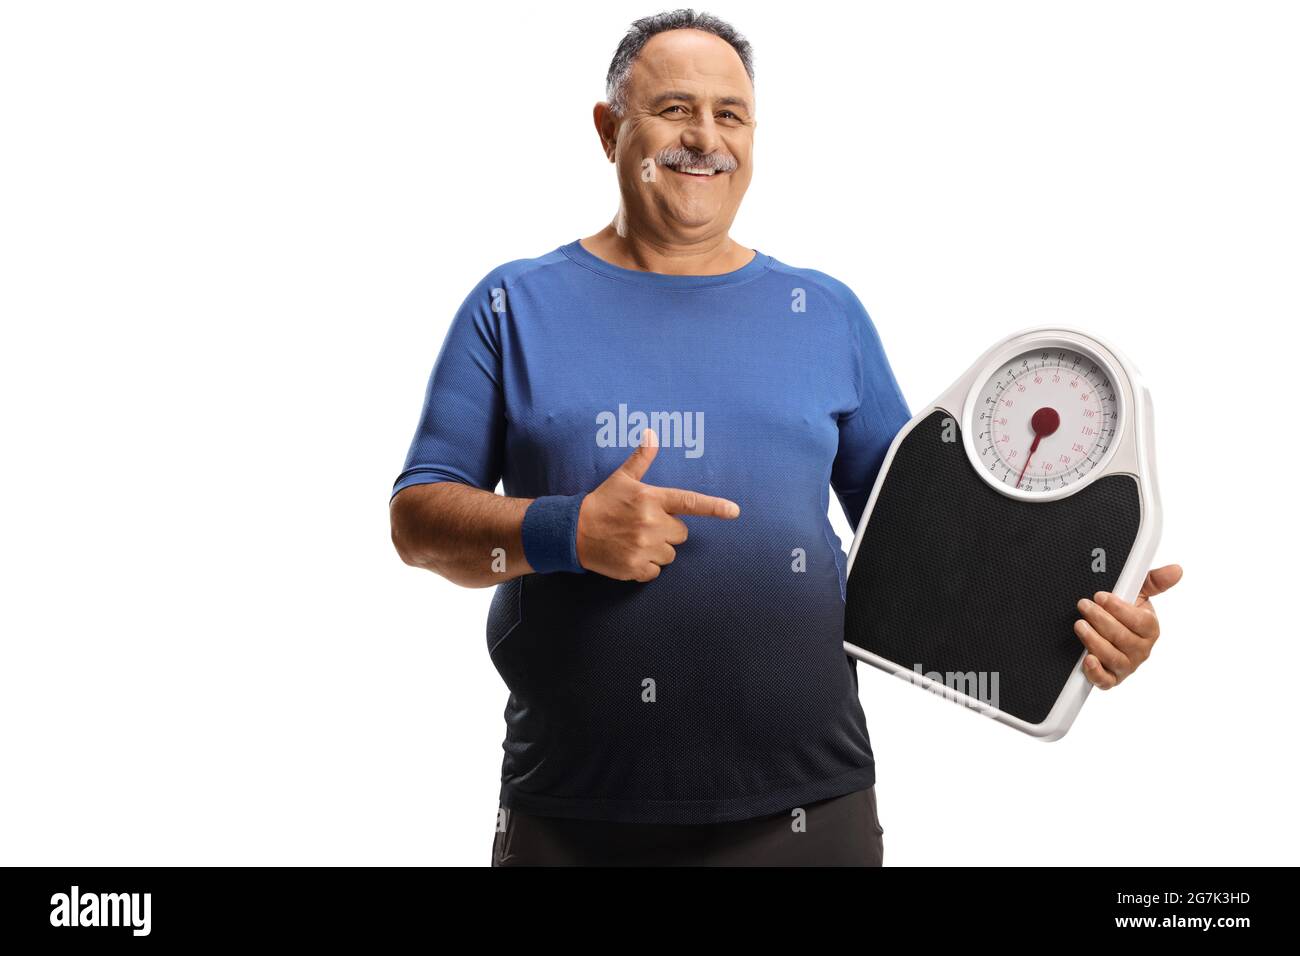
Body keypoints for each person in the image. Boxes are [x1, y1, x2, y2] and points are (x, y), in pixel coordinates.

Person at [389, 9, 1183, 866]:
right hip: (574, 813)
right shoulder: (512, 306)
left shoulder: (825, 313)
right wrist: (565, 531)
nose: (704, 138)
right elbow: (419, 523)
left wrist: (1083, 622)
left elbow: (925, 553)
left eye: (730, 114)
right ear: (611, 128)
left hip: (809, 811)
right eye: (675, 110)